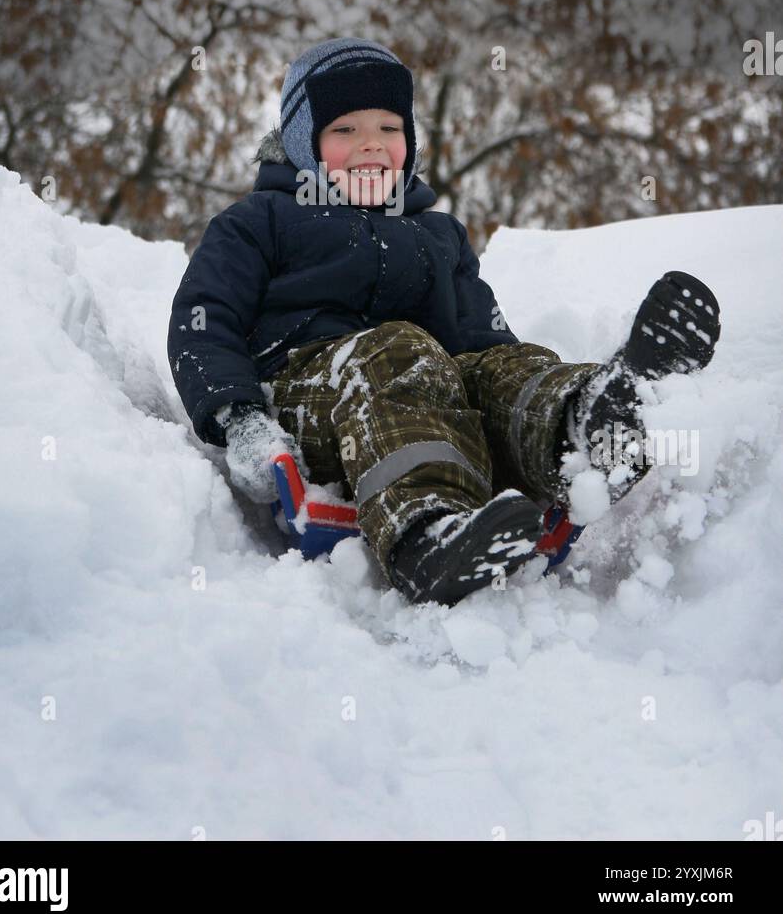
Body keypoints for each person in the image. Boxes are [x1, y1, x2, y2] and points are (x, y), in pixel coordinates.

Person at [167, 37, 721, 606]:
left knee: (498, 365)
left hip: (426, 394)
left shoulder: (436, 235)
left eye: (389, 128)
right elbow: (203, 323)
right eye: (345, 131)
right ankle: (426, 536)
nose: (372, 147)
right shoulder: (260, 221)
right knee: (399, 350)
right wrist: (241, 419)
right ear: (302, 145)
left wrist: (513, 381)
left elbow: (483, 338)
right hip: (313, 399)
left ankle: (586, 421)